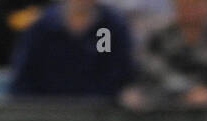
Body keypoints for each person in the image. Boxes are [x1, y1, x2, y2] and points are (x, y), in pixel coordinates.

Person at [123, 0, 207, 109]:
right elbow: (153, 74)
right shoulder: (158, 36)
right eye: (185, 2)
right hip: (168, 112)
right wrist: (190, 91)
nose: (191, 6)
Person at [9, 0, 137, 100]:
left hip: (100, 118)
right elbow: (23, 80)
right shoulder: (40, 29)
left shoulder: (112, 28)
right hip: (48, 117)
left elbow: (122, 75)